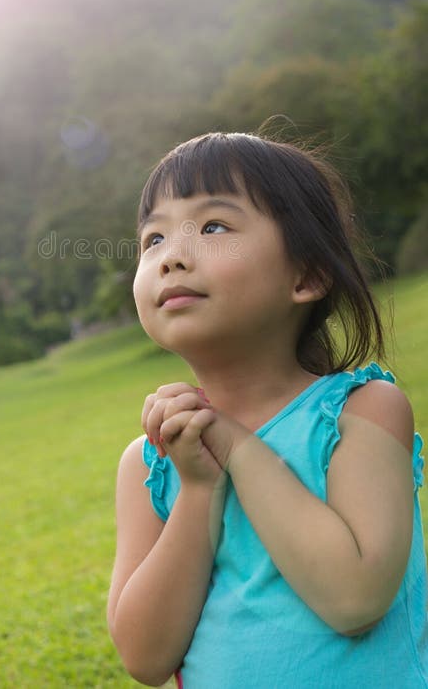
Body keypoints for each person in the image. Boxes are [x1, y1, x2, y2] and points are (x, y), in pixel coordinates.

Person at [107, 131, 428, 688]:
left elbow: (356, 595)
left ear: (305, 276)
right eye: (153, 239)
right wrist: (199, 489)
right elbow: (145, 657)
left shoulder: (361, 413)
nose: (172, 257)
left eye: (213, 227)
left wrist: (235, 447)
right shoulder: (151, 462)